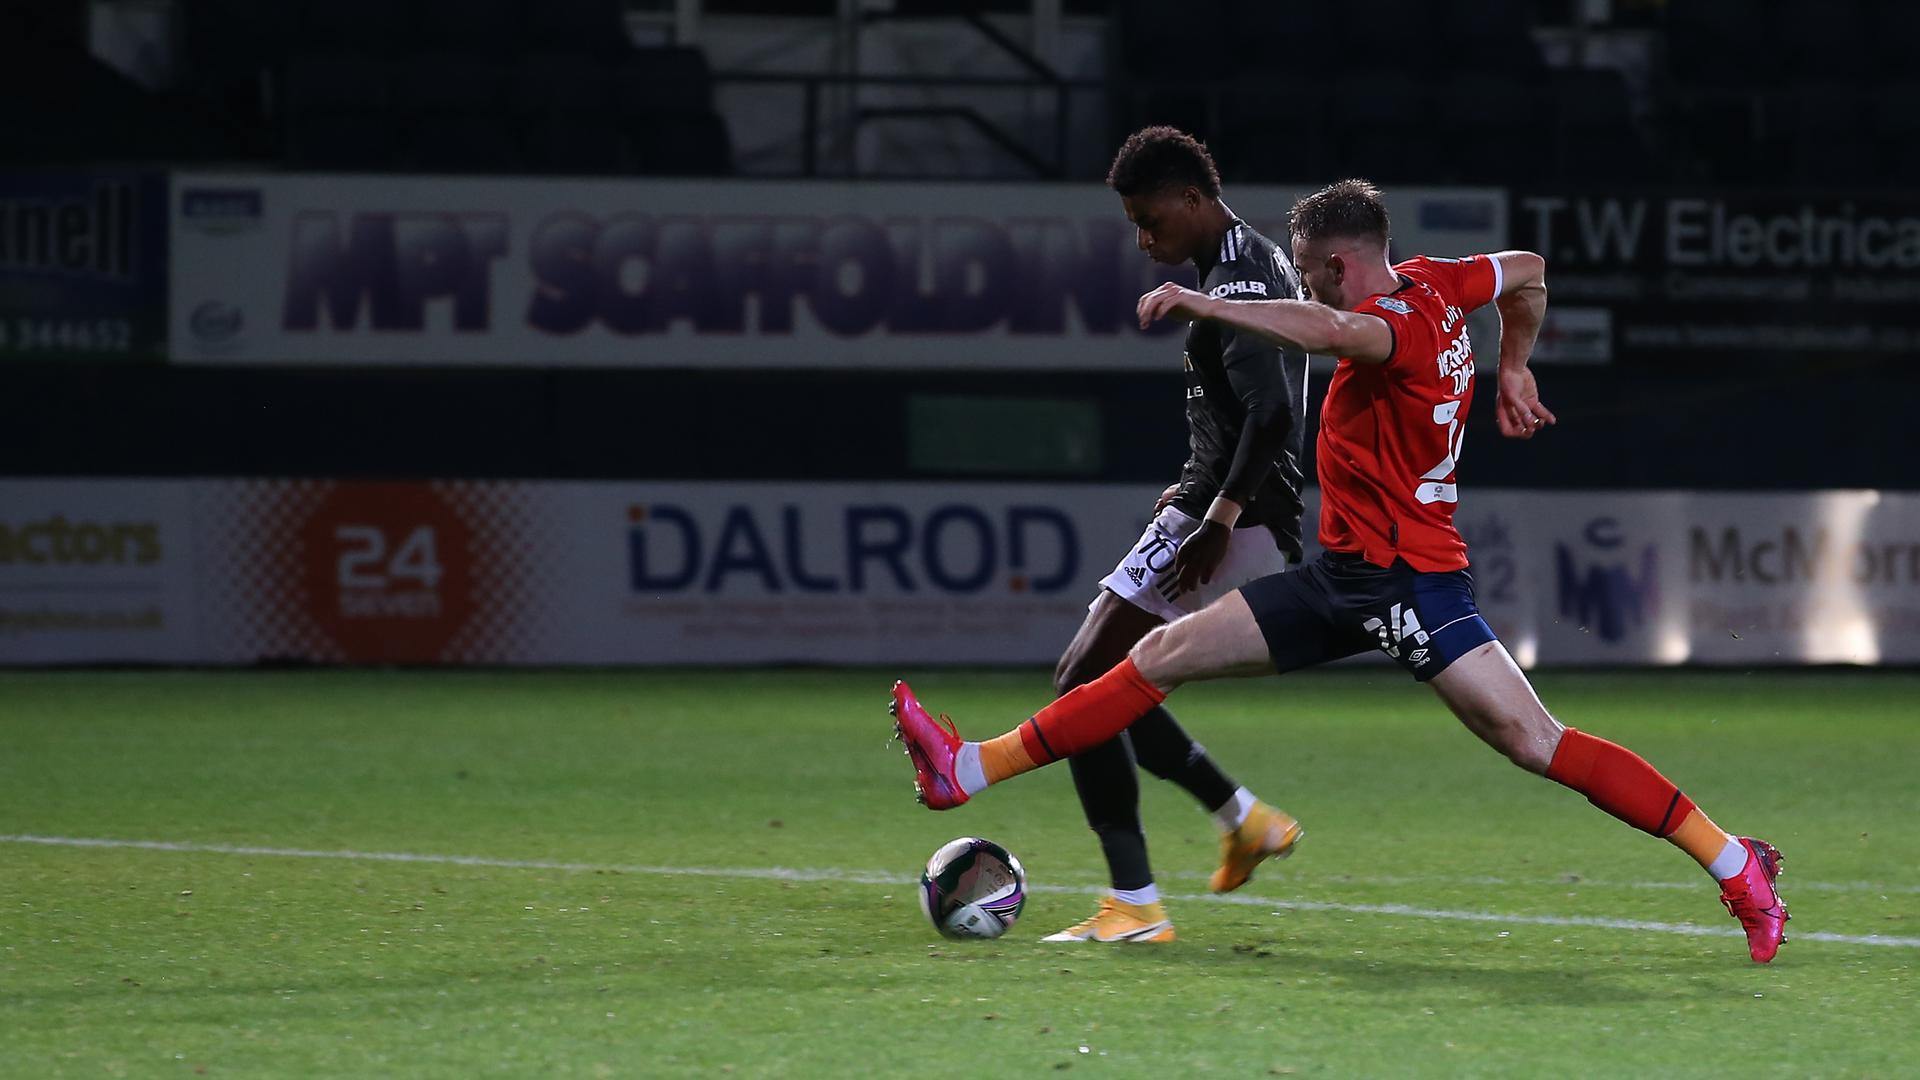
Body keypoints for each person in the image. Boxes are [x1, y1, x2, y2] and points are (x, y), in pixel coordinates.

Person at [891, 179, 1789, 963]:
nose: (1304, 281)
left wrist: (1205, 306)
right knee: (1157, 656)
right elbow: (1531, 269)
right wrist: (1514, 365)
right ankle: (967, 768)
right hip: (1344, 578)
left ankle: (1736, 865)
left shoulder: (1386, 327)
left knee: (1537, 743)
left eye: (1308, 269)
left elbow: (1325, 329)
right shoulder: (1441, 281)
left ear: (1336, 264)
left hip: (1411, 589)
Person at [1038, 127, 1313, 945]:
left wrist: (1215, 515)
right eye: (1133, 222)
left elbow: (1274, 413)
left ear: (1193, 199)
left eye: (1151, 218)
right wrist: (1199, 480)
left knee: (1081, 685)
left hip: (1231, 518)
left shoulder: (1237, 276)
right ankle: (1242, 819)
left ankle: (1135, 903)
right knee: (1115, 683)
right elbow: (1247, 411)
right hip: (1231, 506)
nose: (1143, 237)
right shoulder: (1247, 263)